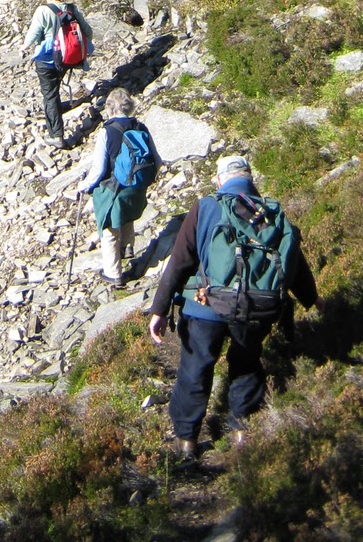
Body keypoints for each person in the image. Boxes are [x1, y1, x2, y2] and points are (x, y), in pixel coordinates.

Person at [148, 154, 318, 460]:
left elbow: (180, 262)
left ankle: (187, 441)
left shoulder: (206, 206)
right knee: (246, 363)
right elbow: (294, 262)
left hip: (205, 307)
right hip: (257, 307)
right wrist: (312, 300)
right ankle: (241, 431)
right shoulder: (269, 211)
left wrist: (159, 309)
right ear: (250, 179)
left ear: (218, 181)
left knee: (196, 368)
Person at [77, 91, 160, 287]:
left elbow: (98, 169)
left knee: (109, 231)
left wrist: (84, 186)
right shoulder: (141, 127)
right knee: (127, 215)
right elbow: (157, 160)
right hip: (136, 187)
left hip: (114, 188)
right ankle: (127, 247)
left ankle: (114, 274)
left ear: (109, 108)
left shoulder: (107, 131)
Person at [21, 0, 93, 148]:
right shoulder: (71, 9)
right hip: (67, 59)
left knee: (50, 95)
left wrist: (24, 47)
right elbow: (88, 31)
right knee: (54, 91)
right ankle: (59, 115)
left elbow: (33, 35)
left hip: (47, 60)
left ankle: (56, 135)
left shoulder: (43, 11)